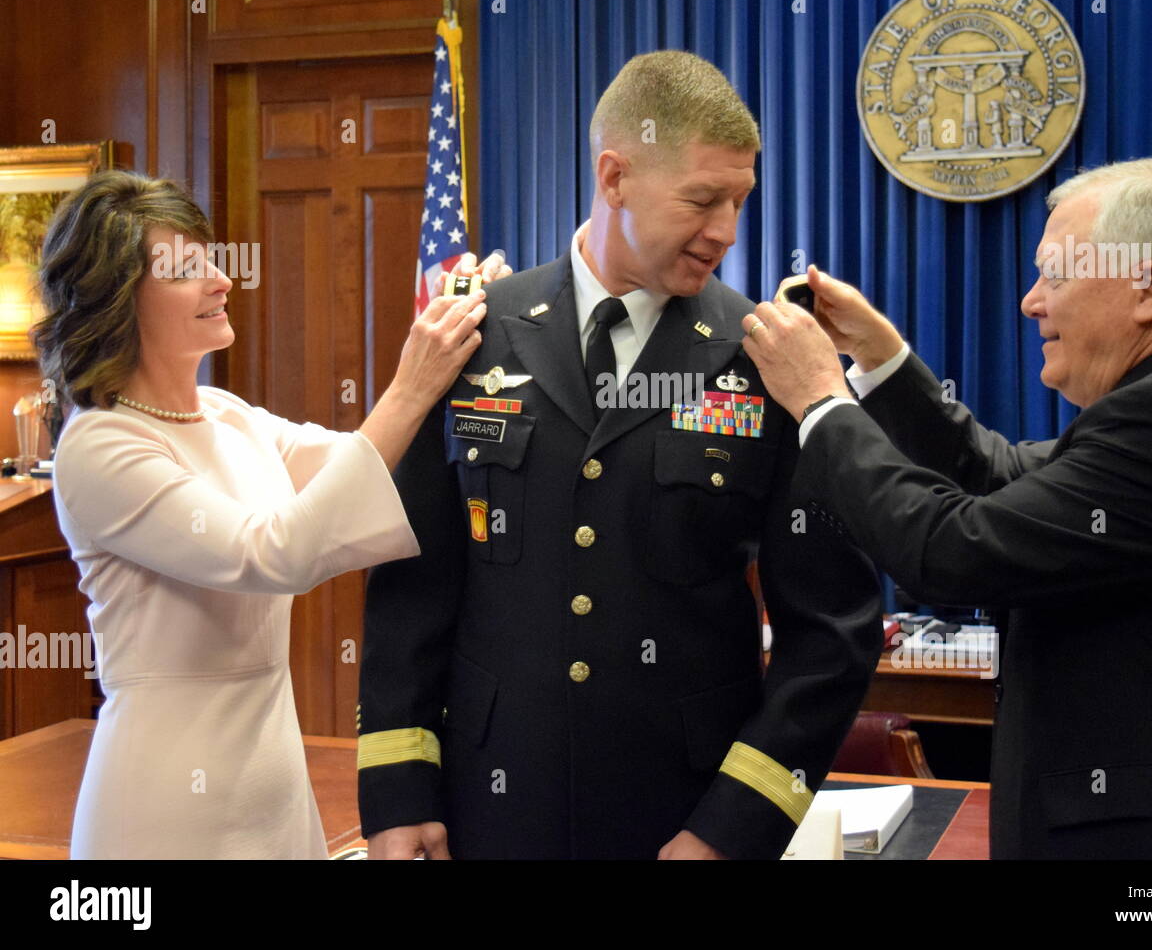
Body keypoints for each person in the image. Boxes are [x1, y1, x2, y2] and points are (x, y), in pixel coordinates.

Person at [358, 51, 882, 860]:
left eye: (741, 200)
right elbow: (412, 586)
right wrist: (398, 791)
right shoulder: (470, 331)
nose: (728, 232)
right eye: (704, 199)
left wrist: (732, 828)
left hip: (683, 818)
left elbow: (831, 632)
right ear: (614, 176)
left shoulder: (766, 355)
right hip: (493, 806)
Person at [742, 158, 1152, 859]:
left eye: (1054, 276)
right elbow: (997, 478)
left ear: (1148, 289)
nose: (1031, 301)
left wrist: (821, 402)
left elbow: (954, 551)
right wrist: (876, 355)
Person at [34, 170, 499, 859]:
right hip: (162, 807)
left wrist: (460, 335)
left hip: (274, 790)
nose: (222, 278)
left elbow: (369, 468)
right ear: (118, 300)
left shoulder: (226, 415)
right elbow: (274, 552)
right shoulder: (98, 445)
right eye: (188, 267)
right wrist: (410, 384)